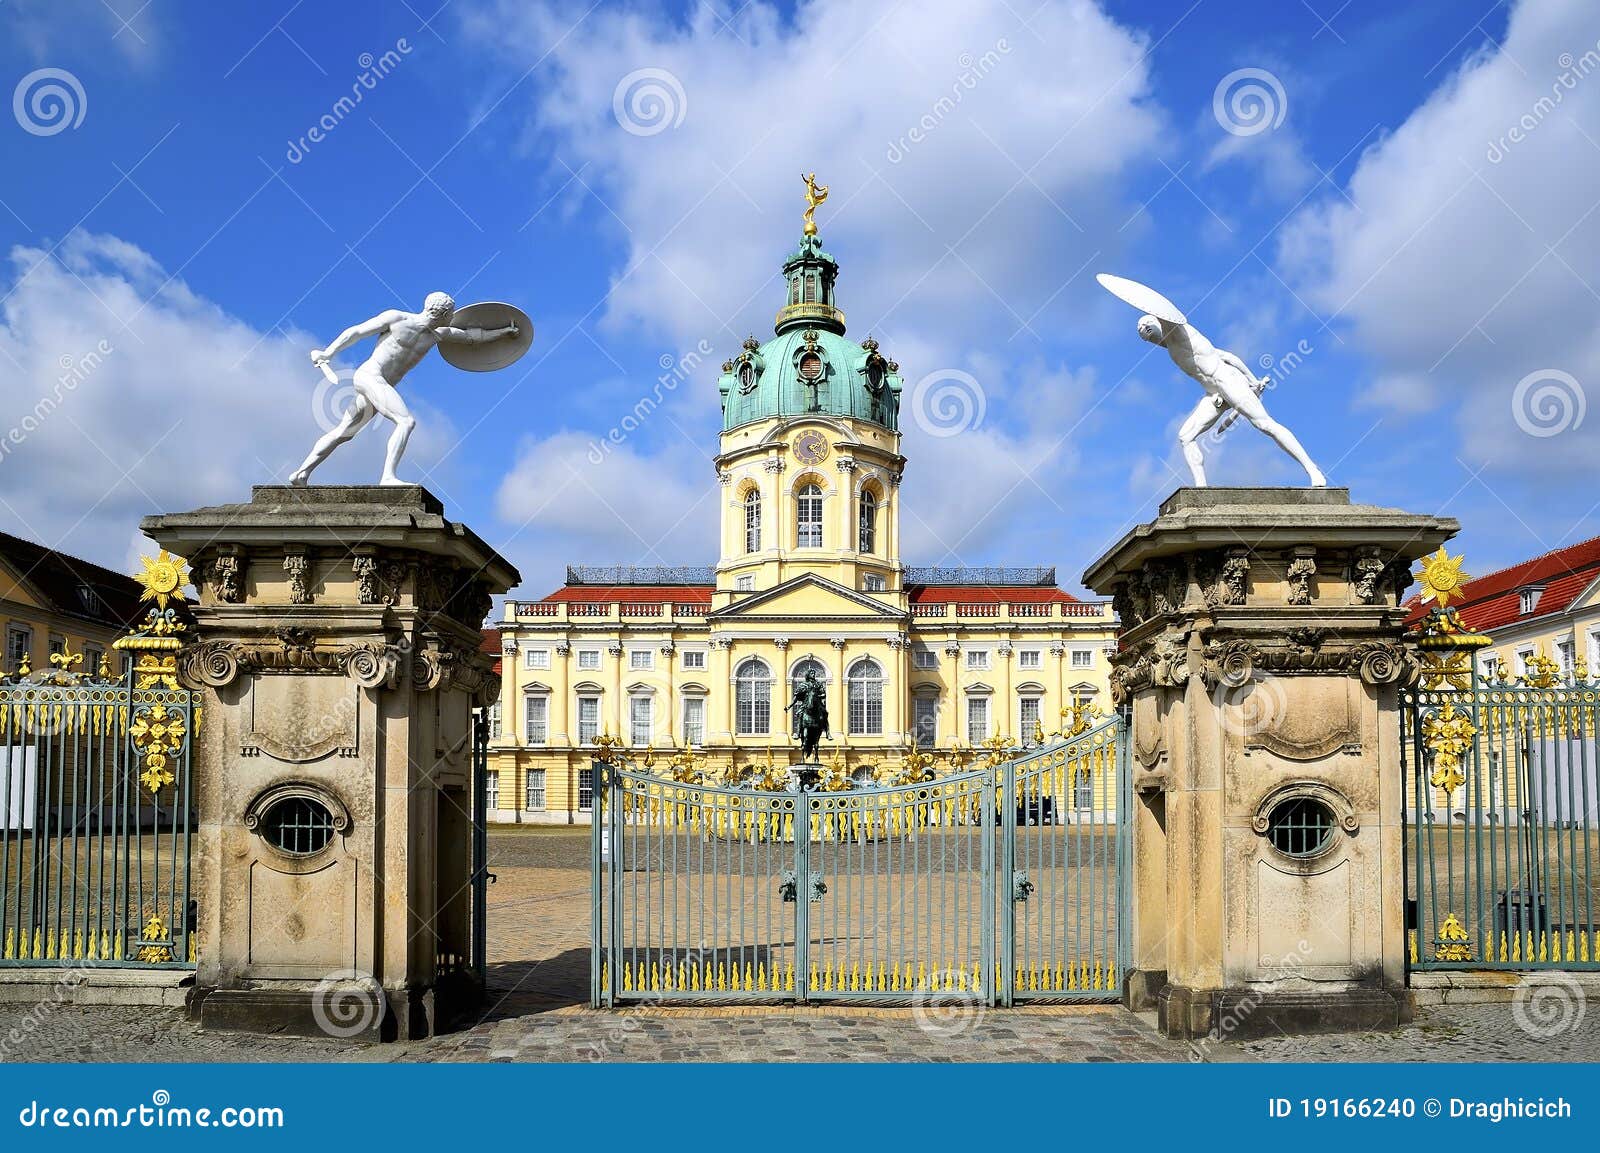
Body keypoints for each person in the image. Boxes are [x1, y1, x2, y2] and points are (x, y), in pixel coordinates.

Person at [289, 292, 518, 486]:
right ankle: (388, 477)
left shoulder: (438, 335)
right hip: (370, 376)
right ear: (444, 314)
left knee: (343, 433)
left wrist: (506, 331)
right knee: (406, 421)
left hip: (380, 385)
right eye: (451, 314)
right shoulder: (397, 318)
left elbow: (471, 337)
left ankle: (301, 473)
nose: (452, 318)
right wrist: (327, 353)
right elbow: (356, 332)